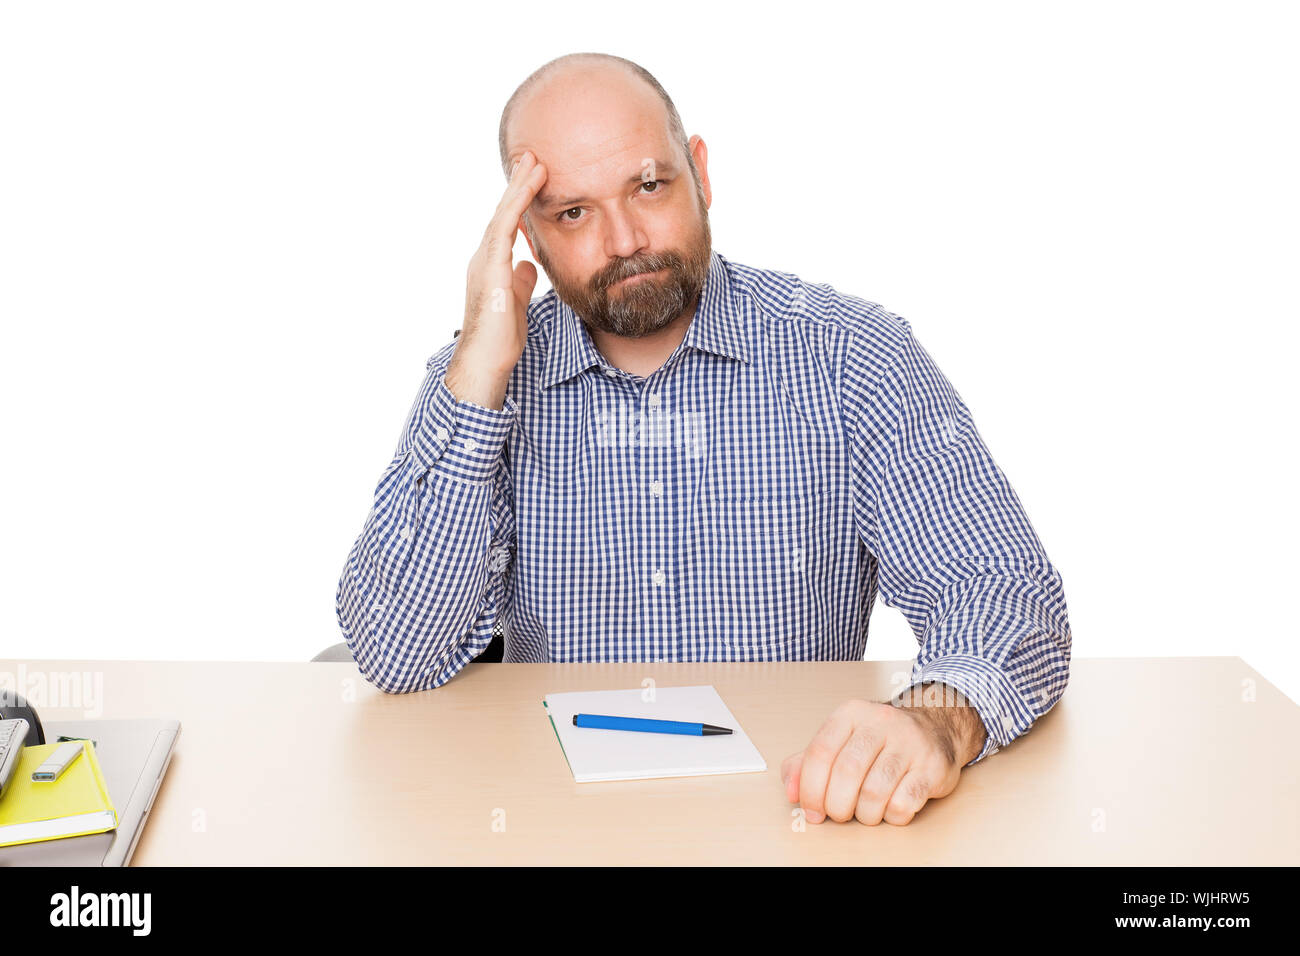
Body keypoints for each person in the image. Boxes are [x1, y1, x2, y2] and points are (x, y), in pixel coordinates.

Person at [335, 52, 1072, 827]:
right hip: (552, 825)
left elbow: (1001, 591)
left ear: (701, 174)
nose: (623, 240)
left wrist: (935, 716)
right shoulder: (481, 379)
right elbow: (397, 652)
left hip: (798, 819)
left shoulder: (854, 356)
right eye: (573, 213)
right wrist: (478, 379)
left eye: (649, 186)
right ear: (527, 236)